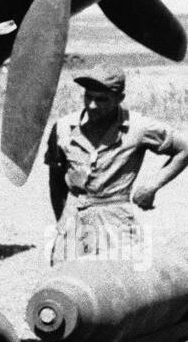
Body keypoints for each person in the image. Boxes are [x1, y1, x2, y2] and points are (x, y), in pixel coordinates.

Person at [45, 65, 188, 265]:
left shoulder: (138, 127)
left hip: (116, 220)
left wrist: (152, 186)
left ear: (120, 98)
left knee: (118, 285)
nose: (92, 105)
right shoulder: (63, 127)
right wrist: (63, 224)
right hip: (73, 216)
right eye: (88, 97)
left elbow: (185, 149)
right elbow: (55, 182)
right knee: (66, 283)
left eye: (102, 99)